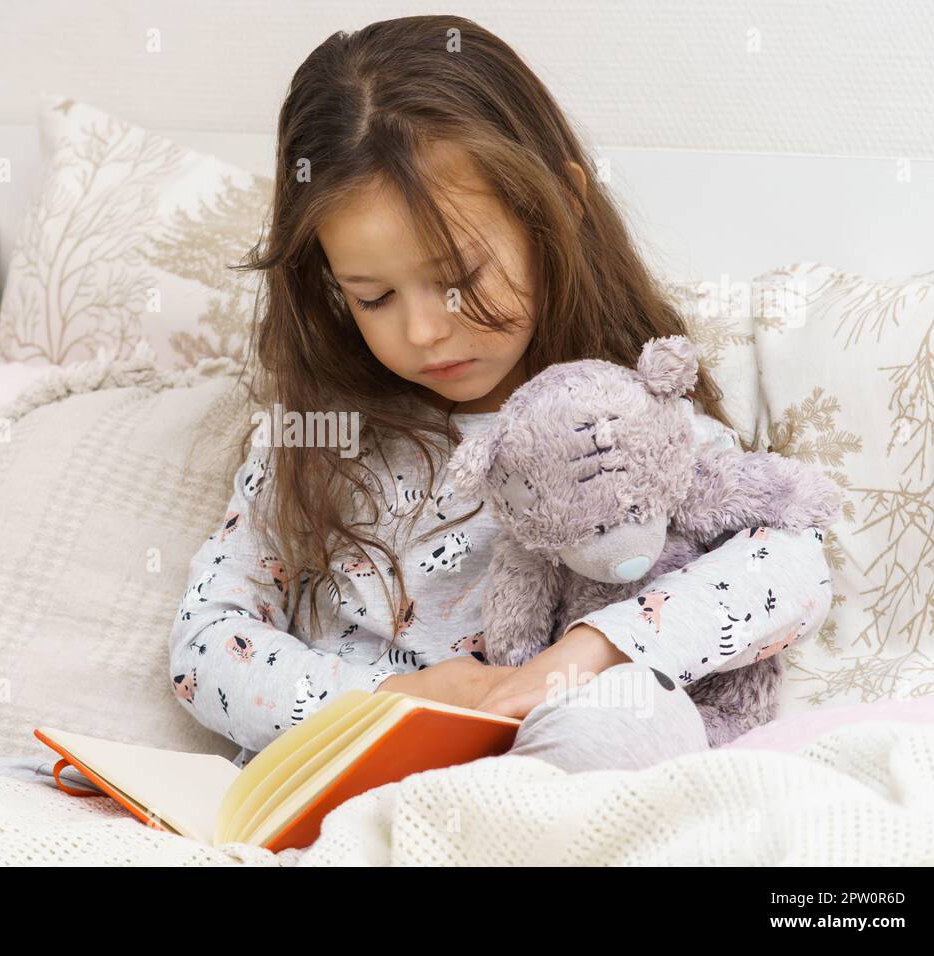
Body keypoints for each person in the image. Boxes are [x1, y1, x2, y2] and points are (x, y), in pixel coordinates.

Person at [166, 15, 834, 774]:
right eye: (373, 296)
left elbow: (792, 564)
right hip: (370, 772)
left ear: (562, 206)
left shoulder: (619, 417)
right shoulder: (315, 440)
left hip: (555, 760)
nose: (423, 331)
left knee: (628, 727)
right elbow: (204, 646)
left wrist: (591, 654)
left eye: (459, 281)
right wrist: (392, 701)